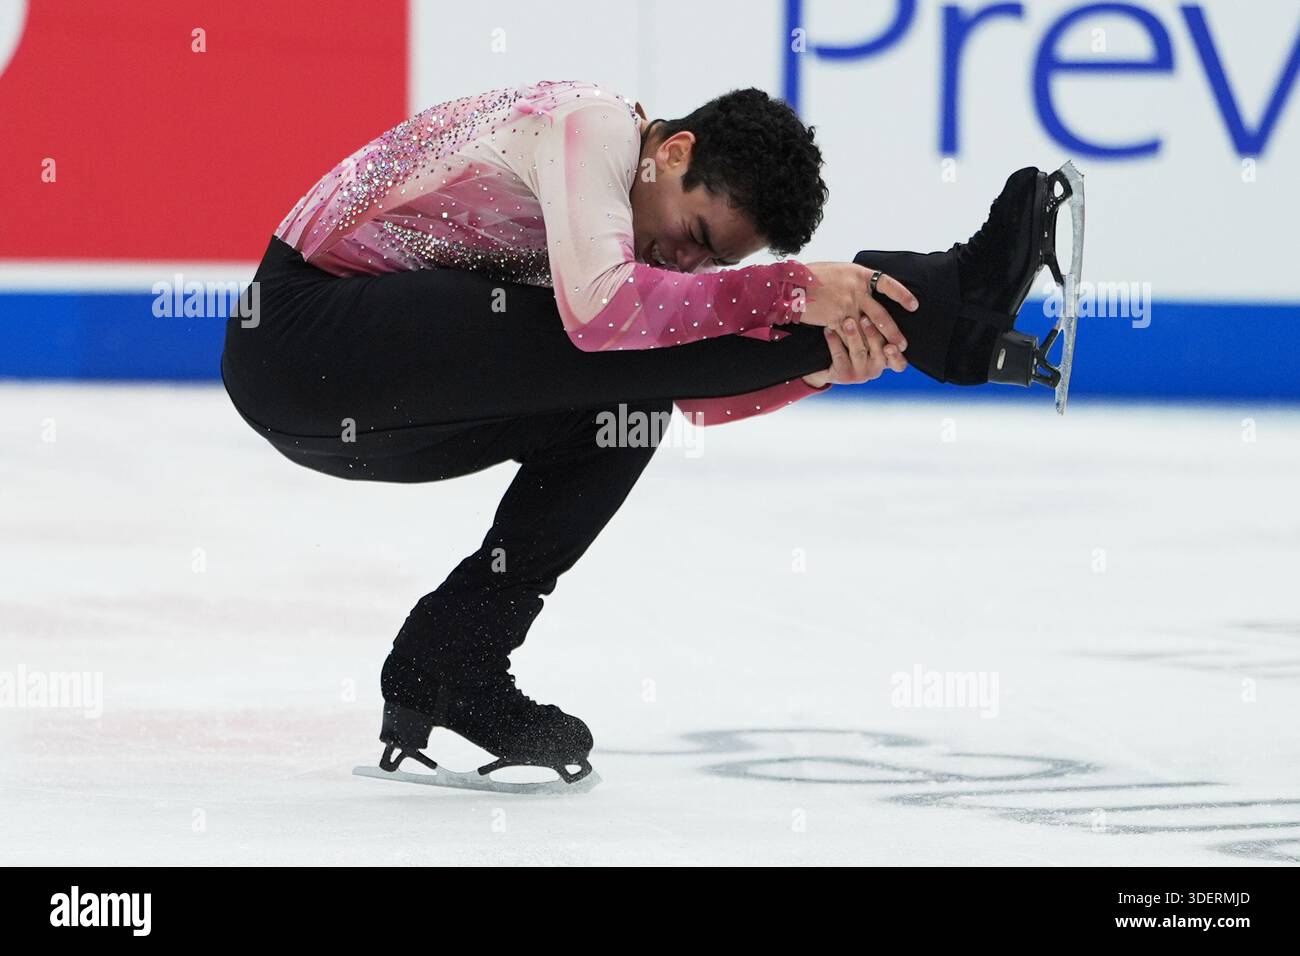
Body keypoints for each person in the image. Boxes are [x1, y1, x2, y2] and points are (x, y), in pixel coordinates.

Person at [221, 79, 1066, 791]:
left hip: (375, 405)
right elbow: (599, 316)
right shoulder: (586, 125)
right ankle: (947, 303)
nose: (686, 261)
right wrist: (788, 292)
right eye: (695, 233)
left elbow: (680, 397)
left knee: (622, 417)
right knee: (625, 338)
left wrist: (817, 370)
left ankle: (451, 663)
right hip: (301, 340)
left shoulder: (637, 236)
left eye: (712, 261)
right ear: (676, 150)